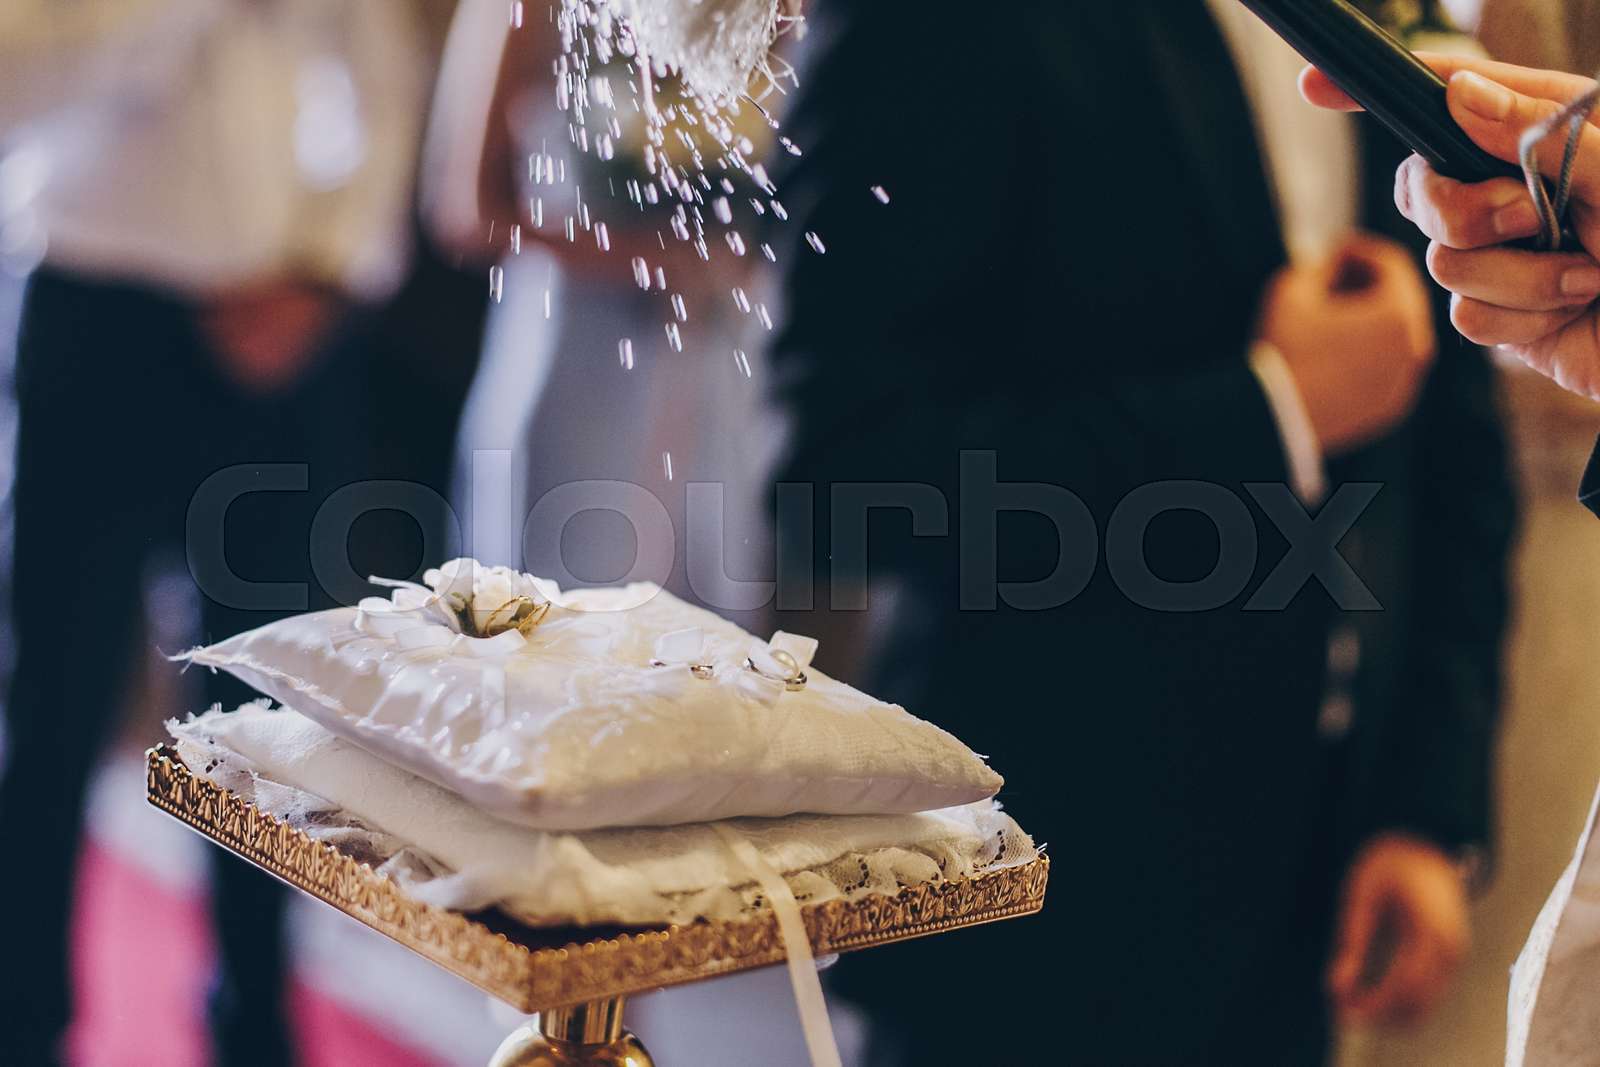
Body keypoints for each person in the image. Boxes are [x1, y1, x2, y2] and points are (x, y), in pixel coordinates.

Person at [764, 1, 1514, 1061]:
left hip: (1308, 899)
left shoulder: (1395, 16)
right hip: (1032, 909)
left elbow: (1453, 454)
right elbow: (841, 482)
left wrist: (1425, 808)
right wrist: (1266, 412)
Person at [0, 4, 481, 1065]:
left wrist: (329, 271)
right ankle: (22, 1018)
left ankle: (254, 1017)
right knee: (53, 693)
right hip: (94, 305)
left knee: (266, 712)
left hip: (282, 321)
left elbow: (382, 83)